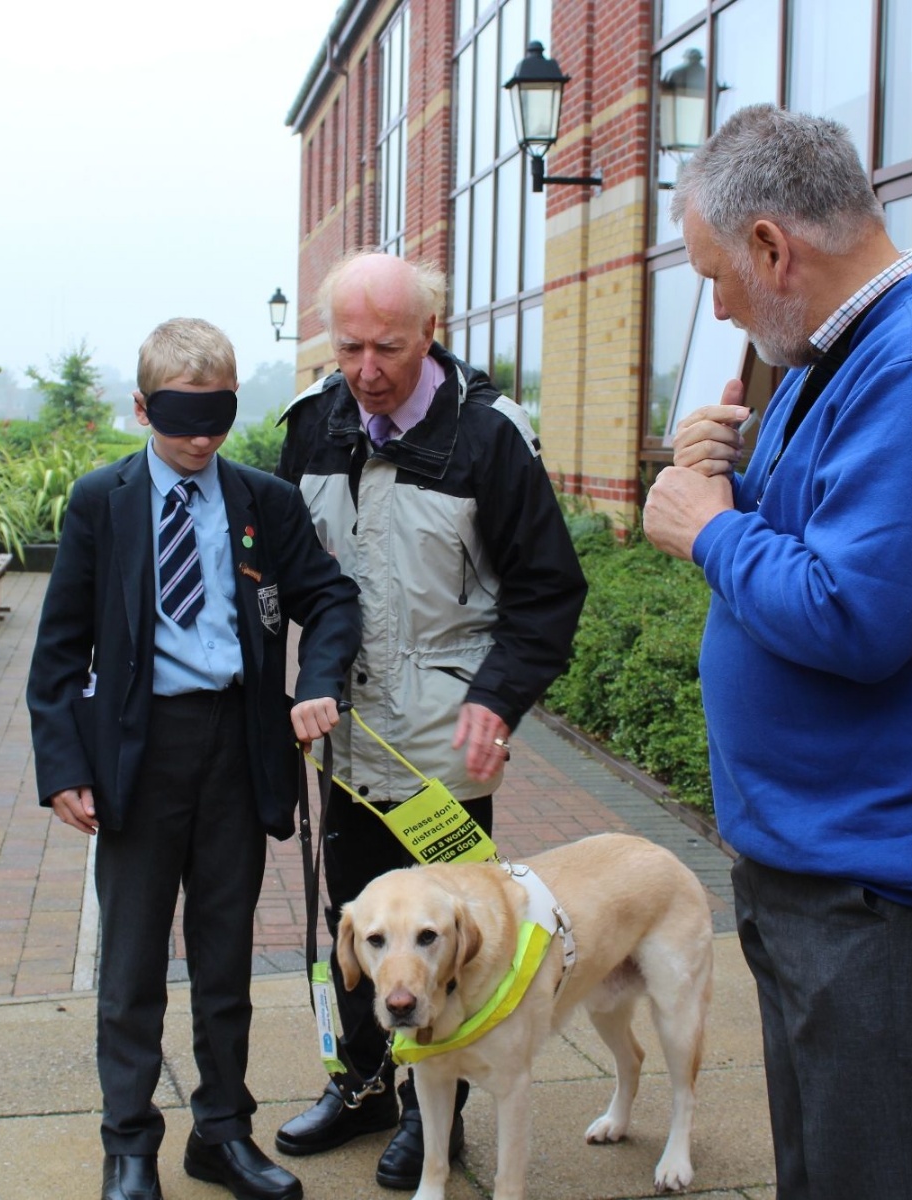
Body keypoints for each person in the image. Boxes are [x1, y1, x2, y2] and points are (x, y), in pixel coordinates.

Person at [643, 105, 912, 1200]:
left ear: (772, 247)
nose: (717, 307)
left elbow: (855, 617)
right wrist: (725, 474)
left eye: (716, 277)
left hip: (868, 889)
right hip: (810, 866)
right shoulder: (829, 354)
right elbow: (804, 543)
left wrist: (707, 529)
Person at [27, 317, 361, 1200]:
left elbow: (330, 598)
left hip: (237, 746)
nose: (203, 440)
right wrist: (63, 766)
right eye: (182, 420)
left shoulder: (262, 501)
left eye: (218, 418)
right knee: (132, 963)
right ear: (143, 409)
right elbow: (59, 648)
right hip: (139, 754)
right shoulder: (101, 502)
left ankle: (221, 1132)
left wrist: (315, 682)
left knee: (223, 957)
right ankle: (129, 1144)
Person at [273, 252, 587, 1189]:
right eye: (350, 347)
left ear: (431, 334)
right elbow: (290, 570)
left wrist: (497, 697)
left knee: (443, 931)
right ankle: (363, 1084)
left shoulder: (489, 437)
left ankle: (432, 1114)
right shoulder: (313, 423)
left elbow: (549, 591)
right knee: (357, 920)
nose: (367, 370)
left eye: (389, 348)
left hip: (442, 745)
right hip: (347, 737)